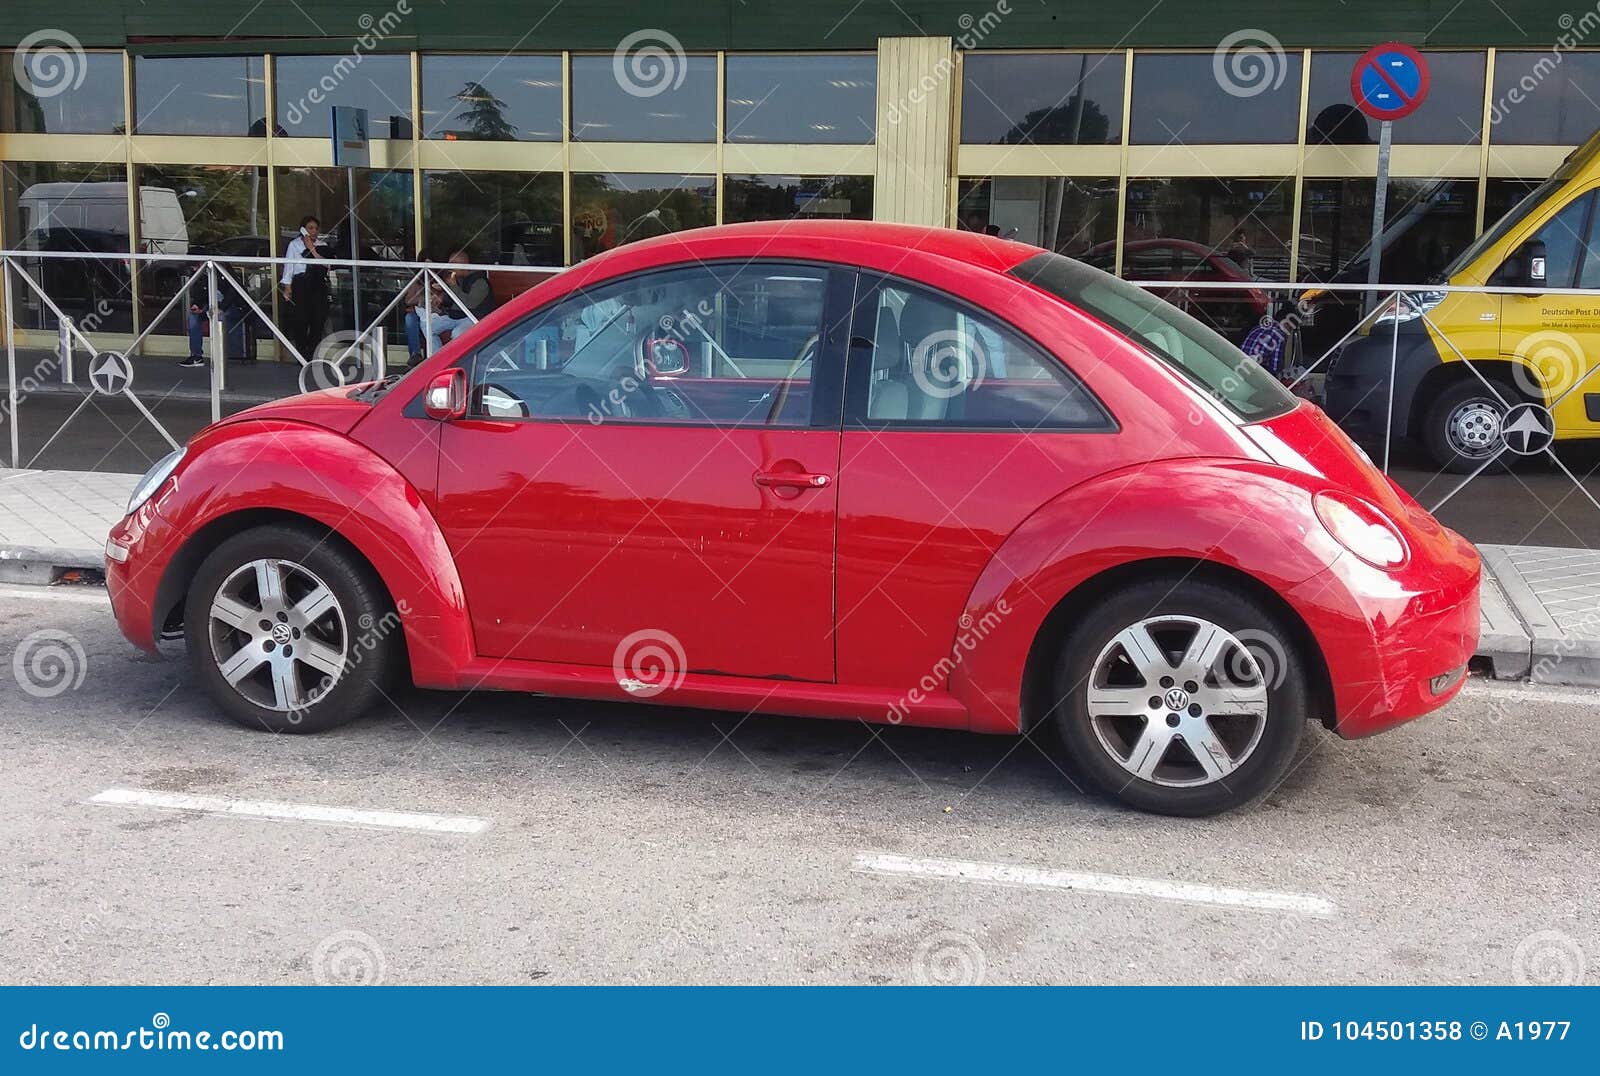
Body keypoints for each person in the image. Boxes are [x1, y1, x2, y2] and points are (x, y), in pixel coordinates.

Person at [425, 249, 495, 354]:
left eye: (453, 263)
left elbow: (469, 304)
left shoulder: (480, 281)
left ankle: (458, 363)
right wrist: (442, 297)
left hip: (475, 318)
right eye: (449, 263)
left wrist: (453, 286)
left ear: (464, 264)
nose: (449, 267)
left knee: (457, 333)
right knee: (428, 326)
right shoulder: (457, 277)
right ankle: (439, 361)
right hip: (457, 316)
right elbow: (453, 301)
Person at [280, 215, 329, 359]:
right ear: (303, 230)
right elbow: (289, 266)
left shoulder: (322, 246)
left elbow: (327, 265)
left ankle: (312, 353)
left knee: (317, 319)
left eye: (315, 228)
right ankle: (301, 353)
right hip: (301, 283)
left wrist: (312, 249)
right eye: (310, 228)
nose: (313, 231)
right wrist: (288, 287)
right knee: (300, 319)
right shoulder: (294, 245)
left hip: (317, 283)